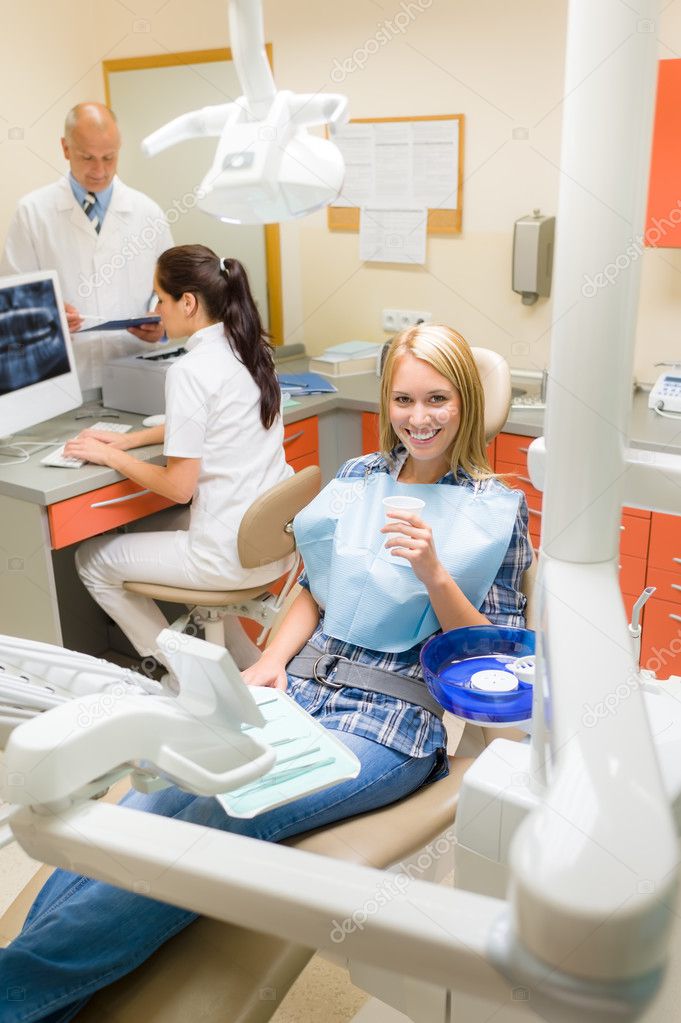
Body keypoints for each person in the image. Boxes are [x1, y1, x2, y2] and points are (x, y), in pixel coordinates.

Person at [0, 324, 532, 1022]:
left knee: (216, 816)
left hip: (389, 723)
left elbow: (490, 656)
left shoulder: (496, 508)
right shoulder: (359, 479)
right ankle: (26, 972)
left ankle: (17, 995)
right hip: (298, 689)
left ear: (465, 402)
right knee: (158, 799)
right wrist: (271, 661)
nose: (419, 417)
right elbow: (312, 588)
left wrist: (434, 572)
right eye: (404, 399)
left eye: (438, 398)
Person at [63, 243, 293, 673]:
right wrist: (129, 442)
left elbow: (178, 488)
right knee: (147, 529)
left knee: (90, 560)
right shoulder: (252, 351)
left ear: (187, 303)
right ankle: (246, 664)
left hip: (225, 557)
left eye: (161, 299)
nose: (156, 310)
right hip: (268, 544)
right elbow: (209, 423)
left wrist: (111, 458)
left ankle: (188, 675)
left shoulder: (189, 370)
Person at [0, 102, 173, 391]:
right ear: (66, 148)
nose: (99, 170)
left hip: (137, 372)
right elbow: (12, 303)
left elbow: (169, 290)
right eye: (87, 157)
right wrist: (47, 314)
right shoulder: (32, 213)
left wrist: (161, 320)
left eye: (109, 157)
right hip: (63, 377)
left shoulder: (149, 213)